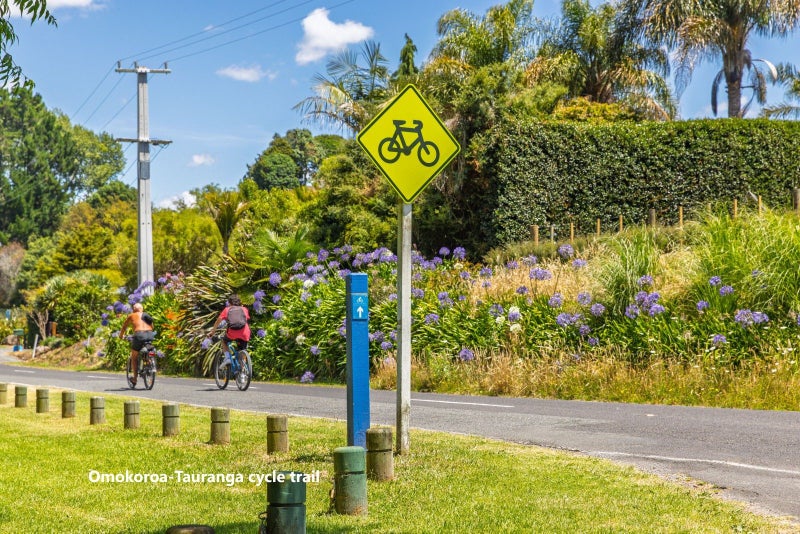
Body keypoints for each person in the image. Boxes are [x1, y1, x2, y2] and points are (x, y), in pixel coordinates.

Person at [119, 302, 155, 386]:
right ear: (142, 309)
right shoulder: (146, 315)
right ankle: (150, 363)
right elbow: (152, 327)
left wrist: (121, 336)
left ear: (133, 309)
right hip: (150, 335)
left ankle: (134, 379)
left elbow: (124, 326)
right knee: (148, 350)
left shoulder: (132, 315)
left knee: (134, 356)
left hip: (139, 335)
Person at [210, 294, 251, 369]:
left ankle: (227, 358)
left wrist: (212, 332)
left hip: (232, 333)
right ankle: (243, 372)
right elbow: (245, 319)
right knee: (243, 350)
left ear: (229, 302)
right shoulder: (244, 309)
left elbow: (218, 321)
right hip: (245, 333)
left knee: (224, 341)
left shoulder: (227, 309)